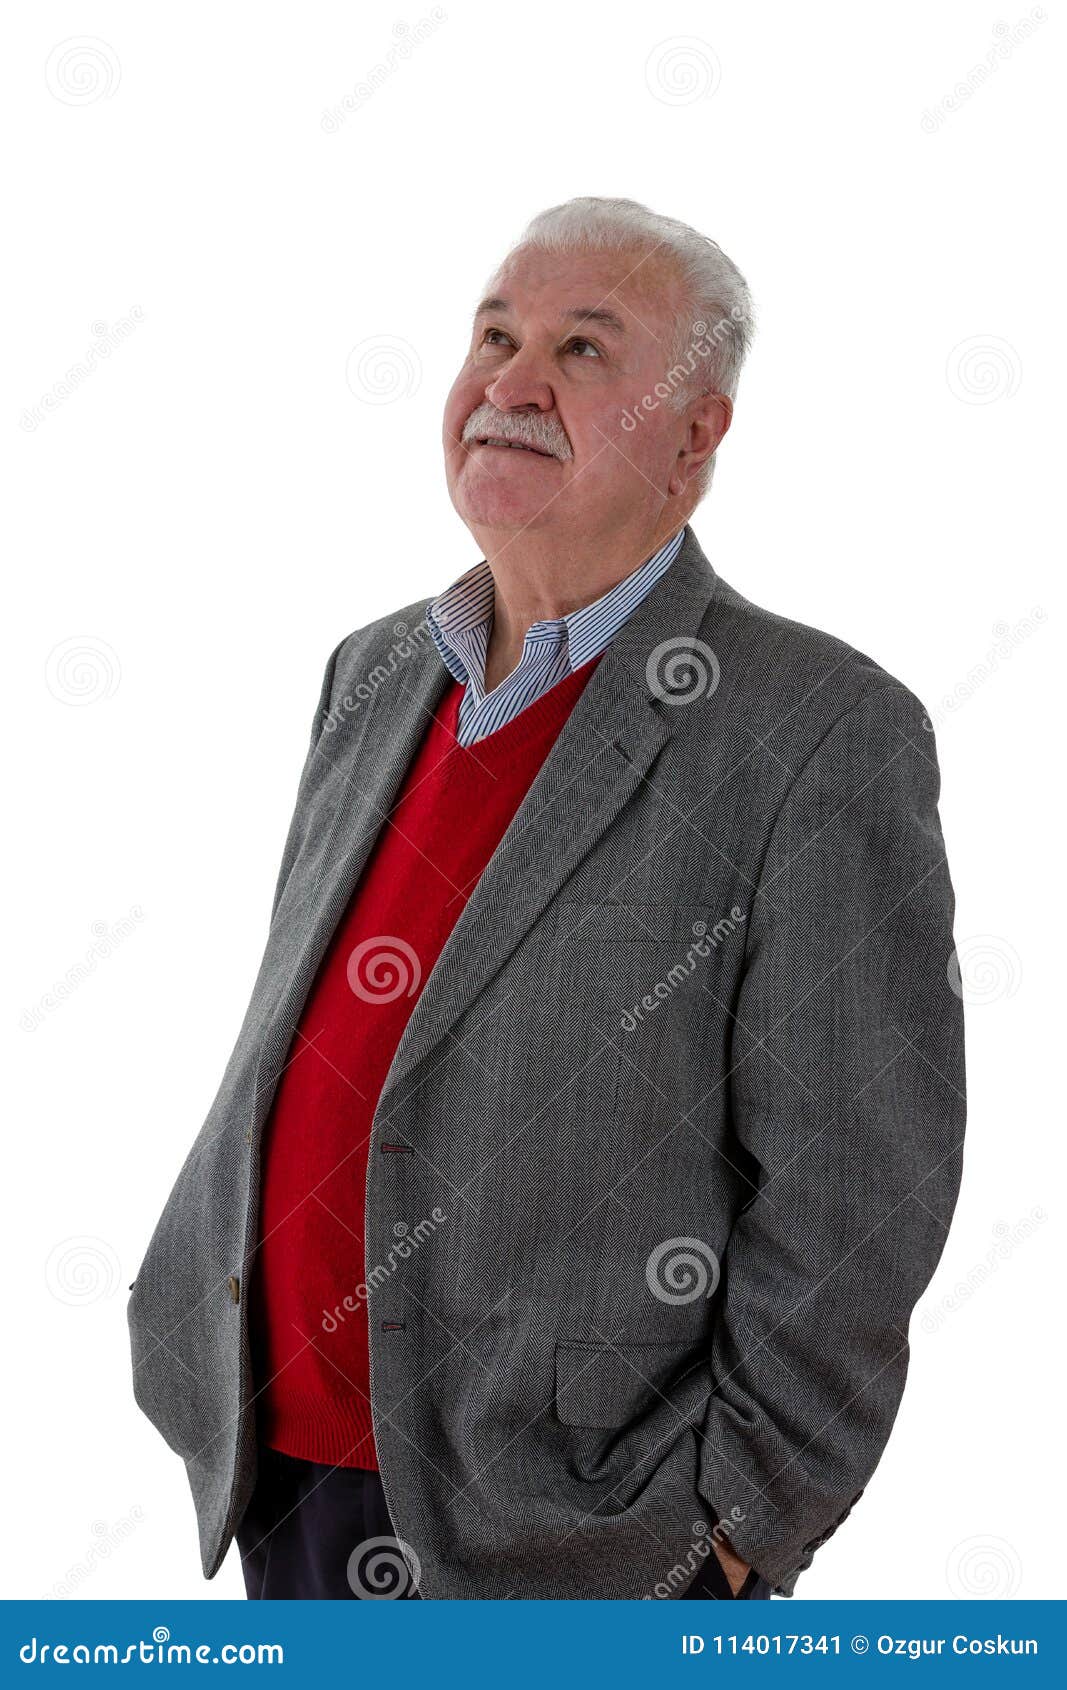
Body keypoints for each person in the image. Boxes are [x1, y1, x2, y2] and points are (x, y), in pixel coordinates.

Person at [127, 197, 965, 1601]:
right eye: (496, 335)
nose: (512, 383)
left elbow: (857, 1191)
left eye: (585, 349)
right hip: (280, 1470)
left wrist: (738, 1528)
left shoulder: (816, 727)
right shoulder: (378, 669)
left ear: (697, 436)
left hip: (570, 1537)